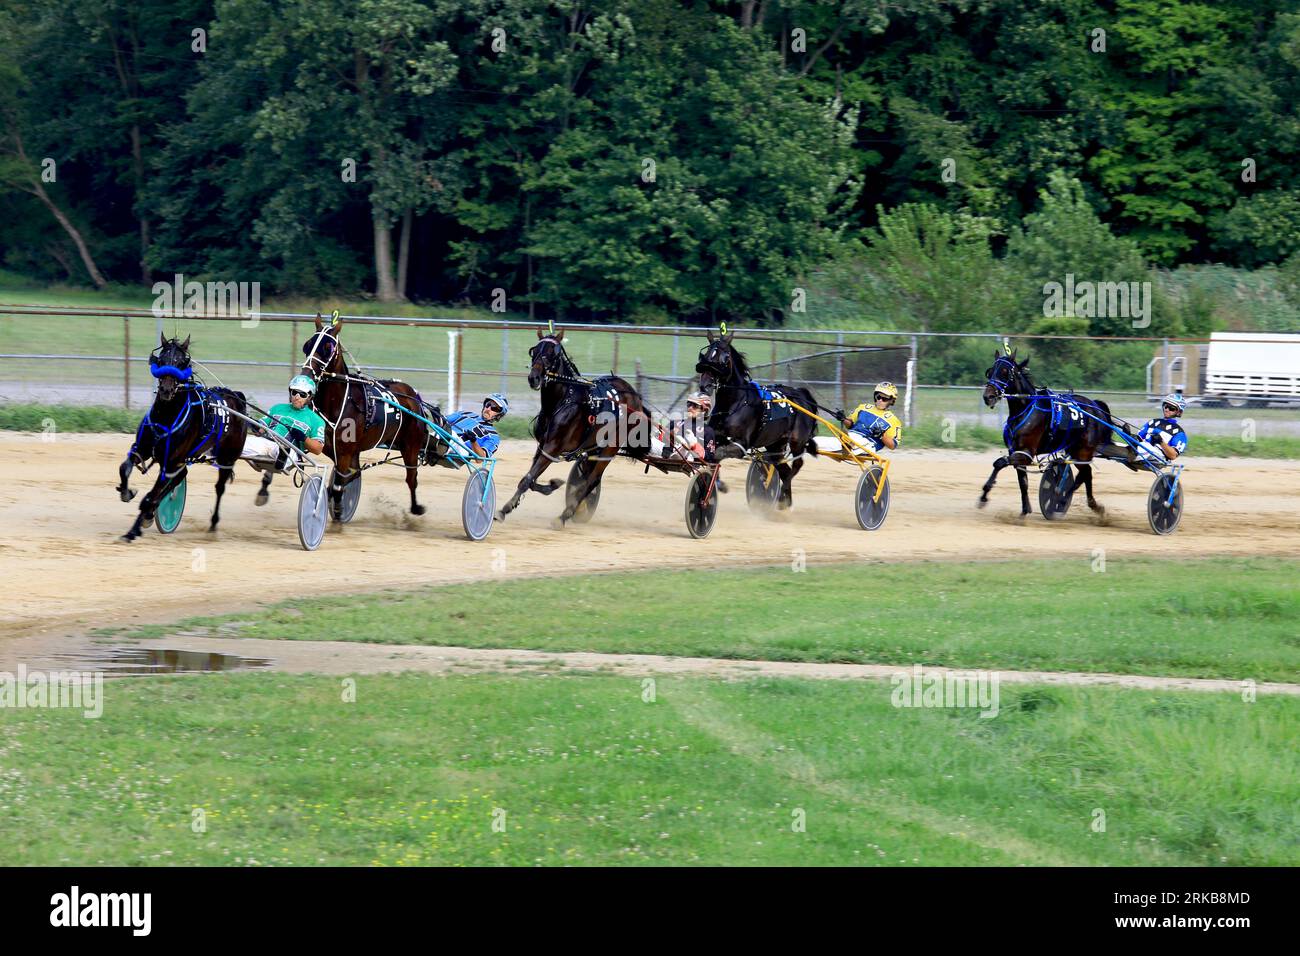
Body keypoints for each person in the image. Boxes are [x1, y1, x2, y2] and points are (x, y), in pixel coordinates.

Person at [242, 374, 326, 471]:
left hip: (292, 450)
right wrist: (252, 424)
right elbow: (260, 430)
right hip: (267, 442)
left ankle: (283, 456)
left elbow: (318, 449)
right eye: (294, 392)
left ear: (310, 397)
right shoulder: (277, 408)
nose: (297, 397)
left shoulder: (316, 420)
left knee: (284, 450)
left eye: (302, 394)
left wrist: (303, 438)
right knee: (238, 444)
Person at [813, 381, 902, 455]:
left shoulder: (893, 421)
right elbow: (850, 425)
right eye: (878, 397)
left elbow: (892, 445)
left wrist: (882, 435)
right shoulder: (863, 407)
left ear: (892, 401)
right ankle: (845, 445)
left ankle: (847, 446)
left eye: (884, 398)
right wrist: (843, 419)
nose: (880, 400)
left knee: (845, 443)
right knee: (814, 441)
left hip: (868, 444)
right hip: (851, 436)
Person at [445, 392, 508, 457]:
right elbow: (442, 421)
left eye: (494, 408)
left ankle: (441, 446)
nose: (488, 409)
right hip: (445, 435)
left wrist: (473, 441)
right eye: (488, 404)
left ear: (499, 415)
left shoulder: (493, 436)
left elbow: (481, 457)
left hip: (461, 450)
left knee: (452, 436)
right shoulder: (465, 414)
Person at [656, 393, 714, 460]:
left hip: (689, 458)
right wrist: (665, 434)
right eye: (689, 404)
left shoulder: (708, 431)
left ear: (704, 410)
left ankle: (681, 451)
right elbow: (660, 441)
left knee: (688, 441)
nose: (690, 408)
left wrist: (695, 446)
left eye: (695, 406)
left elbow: (710, 456)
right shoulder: (674, 423)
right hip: (666, 452)